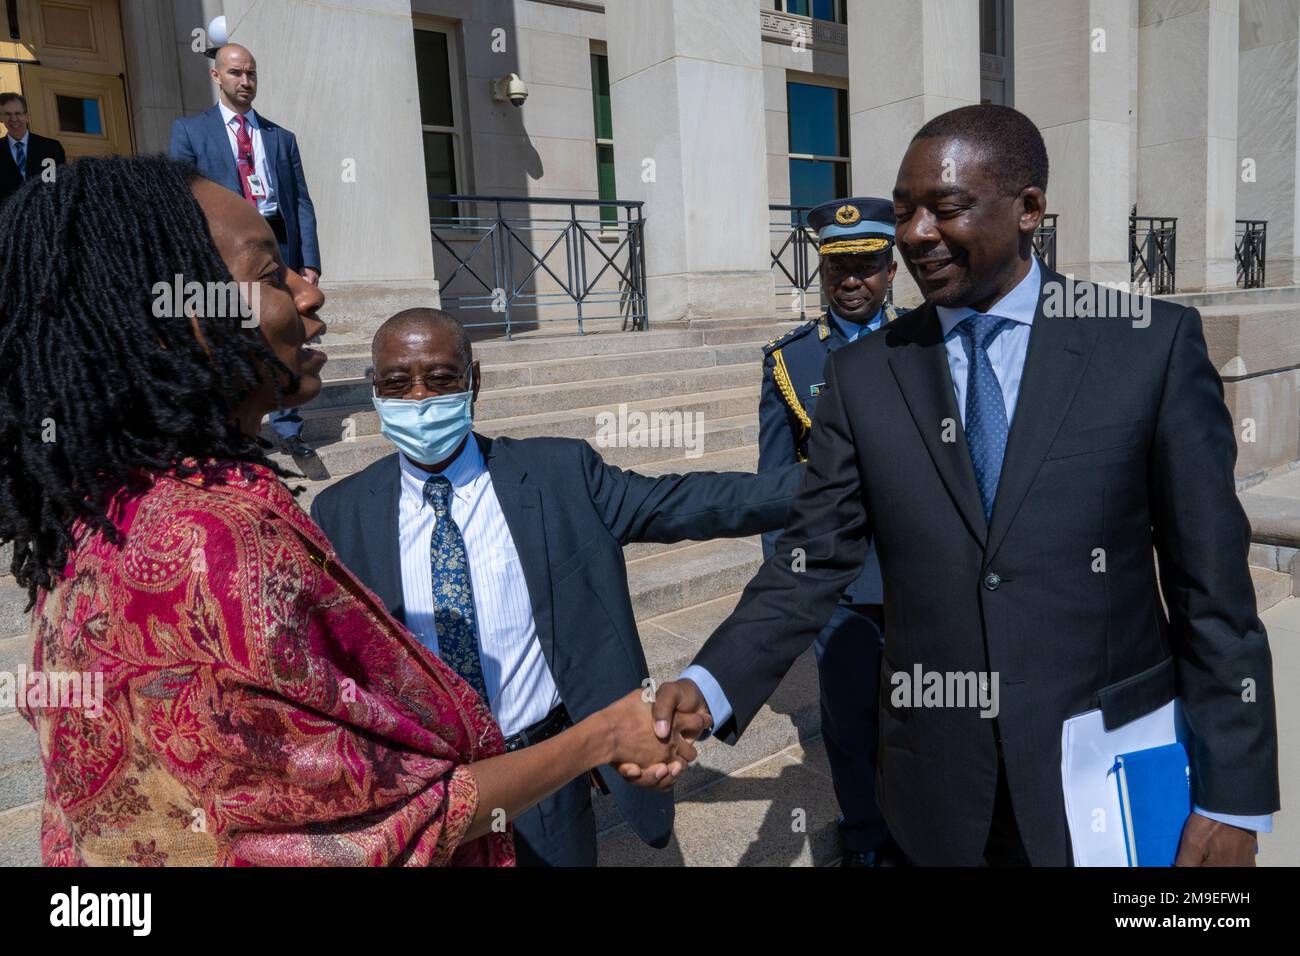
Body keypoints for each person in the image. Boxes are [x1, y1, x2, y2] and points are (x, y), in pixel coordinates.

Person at [0, 155, 698, 867]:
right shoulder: (214, 547)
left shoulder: (109, 513)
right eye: (272, 275)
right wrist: (605, 737)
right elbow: (390, 824)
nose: (310, 293)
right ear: (181, 317)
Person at [642, 104, 1280, 866]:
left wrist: (1232, 795)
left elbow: (1213, 588)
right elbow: (810, 561)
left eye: (944, 209)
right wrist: (712, 683)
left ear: (1029, 210)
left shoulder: (1148, 347)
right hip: (937, 791)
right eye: (906, 210)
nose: (913, 234)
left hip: (1107, 783)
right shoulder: (864, 374)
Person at [309, 308, 803, 866]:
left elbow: (691, 502)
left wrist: (842, 479)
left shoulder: (558, 474)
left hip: (545, 781)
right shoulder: (341, 513)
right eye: (398, 383)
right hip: (425, 796)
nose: (419, 398)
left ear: (475, 380)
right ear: (375, 392)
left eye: (441, 378)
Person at [758, 197, 905, 866]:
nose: (852, 280)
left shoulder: (929, 341)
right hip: (841, 584)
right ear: (820, 272)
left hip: (922, 577)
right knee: (848, 727)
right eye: (837, 267)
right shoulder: (791, 363)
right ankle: (868, 842)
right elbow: (772, 490)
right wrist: (788, 592)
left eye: (867, 265)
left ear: (891, 268)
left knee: (925, 717)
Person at [169, 43, 324, 475]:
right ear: (216, 76)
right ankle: (237, 431)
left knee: (290, 332)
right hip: (228, 258)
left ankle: (290, 430)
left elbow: (302, 202)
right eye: (236, 73)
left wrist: (308, 259)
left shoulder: (280, 137)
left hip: (280, 247)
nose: (245, 82)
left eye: (251, 73)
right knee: (236, 336)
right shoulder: (190, 131)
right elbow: (184, 201)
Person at [0, 93, 66, 205]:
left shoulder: (50, 148)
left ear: (27, 116)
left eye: (18, 113)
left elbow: (58, 184)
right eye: (7, 114)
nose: (13, 119)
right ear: (1, 118)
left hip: (43, 213)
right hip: (6, 217)